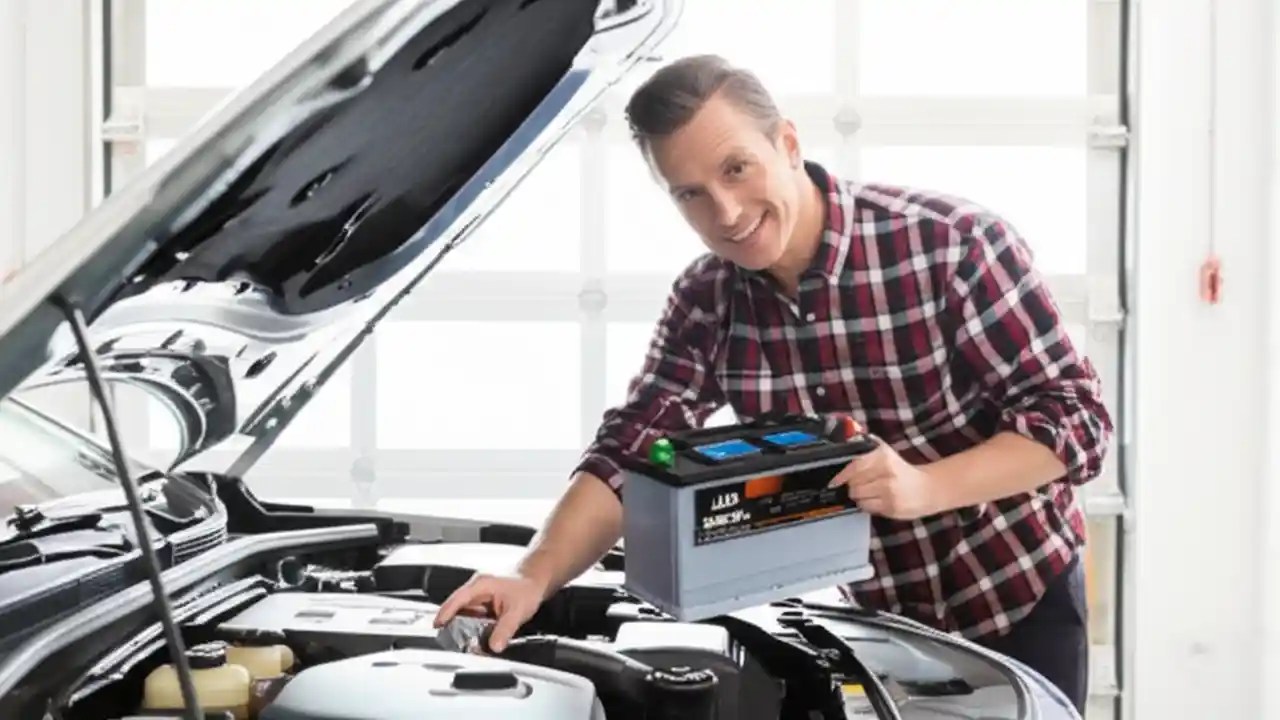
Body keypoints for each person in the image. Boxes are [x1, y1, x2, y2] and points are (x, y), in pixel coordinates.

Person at [435, 54, 1113, 713]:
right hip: (880, 629)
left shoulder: (953, 246)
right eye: (691, 194)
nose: (725, 212)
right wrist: (532, 576)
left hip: (1018, 599)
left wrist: (924, 486)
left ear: (786, 142)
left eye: (736, 169)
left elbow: (1078, 422)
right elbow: (632, 452)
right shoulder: (708, 301)